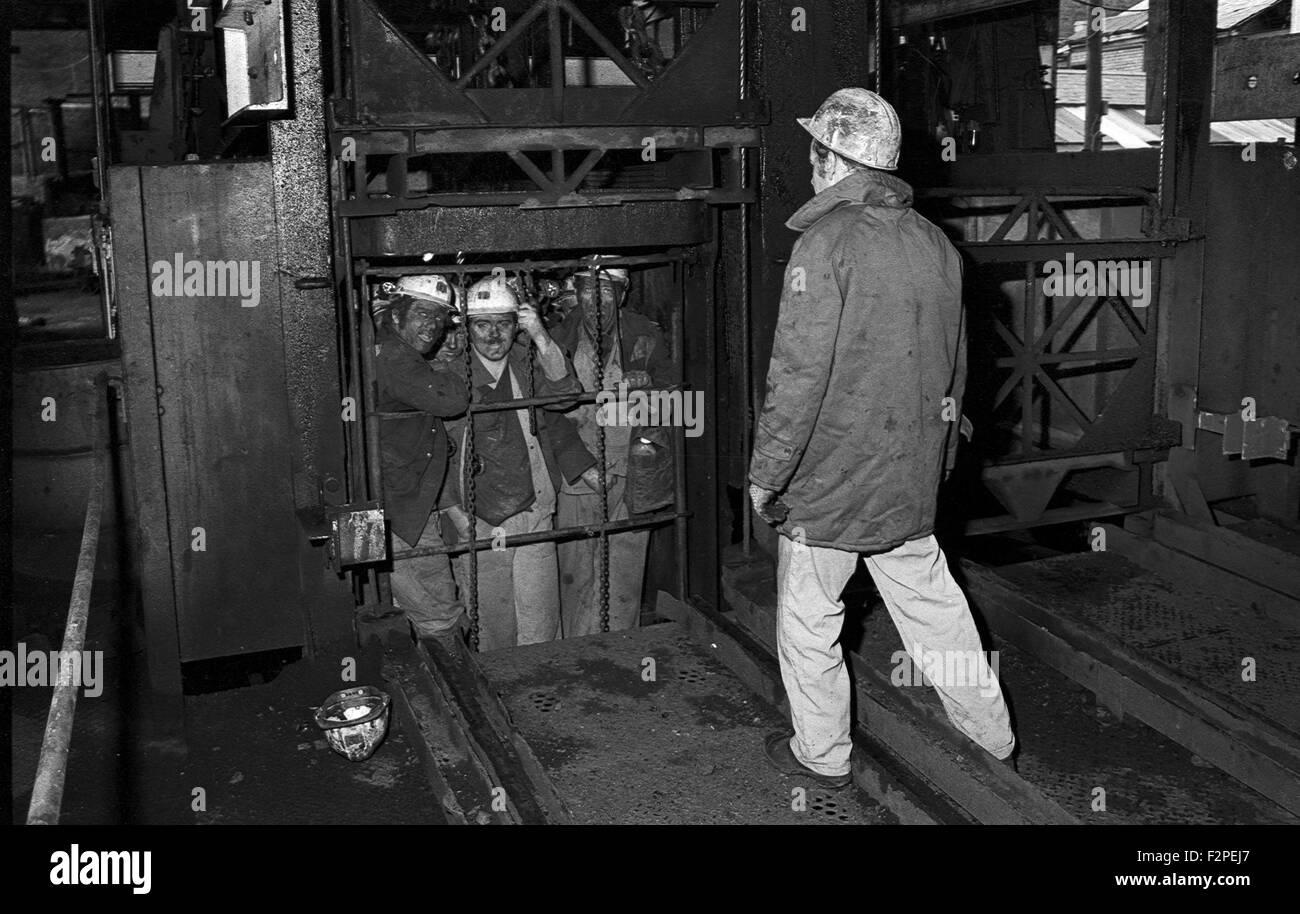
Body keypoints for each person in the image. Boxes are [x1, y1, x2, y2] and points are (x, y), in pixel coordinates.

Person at [748, 88, 1016, 789]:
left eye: (816, 152)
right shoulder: (938, 246)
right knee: (937, 612)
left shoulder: (824, 243)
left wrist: (767, 471)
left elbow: (798, 377)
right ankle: (992, 735)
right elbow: (955, 375)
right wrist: (939, 464)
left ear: (831, 158)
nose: (810, 165)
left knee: (810, 623)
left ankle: (823, 756)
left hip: (828, 485)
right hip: (907, 478)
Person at [443, 275, 597, 650]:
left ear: (517, 326)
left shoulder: (526, 364)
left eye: (504, 323)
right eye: (483, 324)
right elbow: (436, 452)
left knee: (541, 617)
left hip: (533, 511)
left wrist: (541, 336)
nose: (494, 335)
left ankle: (544, 686)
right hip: (479, 520)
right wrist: (453, 512)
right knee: (493, 623)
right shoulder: (447, 376)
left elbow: (562, 402)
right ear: (467, 328)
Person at [551, 259, 673, 636]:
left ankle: (622, 649)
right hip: (579, 472)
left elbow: (677, 393)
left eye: (606, 292)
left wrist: (651, 382)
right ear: (577, 292)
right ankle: (576, 652)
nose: (596, 301)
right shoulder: (557, 339)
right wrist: (581, 466)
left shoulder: (645, 335)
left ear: (621, 296)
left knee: (624, 570)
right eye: (588, 291)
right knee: (575, 571)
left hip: (633, 469)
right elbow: (544, 412)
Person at [375, 274, 470, 640]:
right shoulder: (397, 358)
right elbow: (451, 400)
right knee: (439, 613)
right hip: (399, 512)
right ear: (397, 315)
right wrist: (451, 369)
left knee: (424, 609)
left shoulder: (393, 352)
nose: (431, 325)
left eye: (438, 317)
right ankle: (453, 690)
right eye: (421, 313)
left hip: (404, 502)